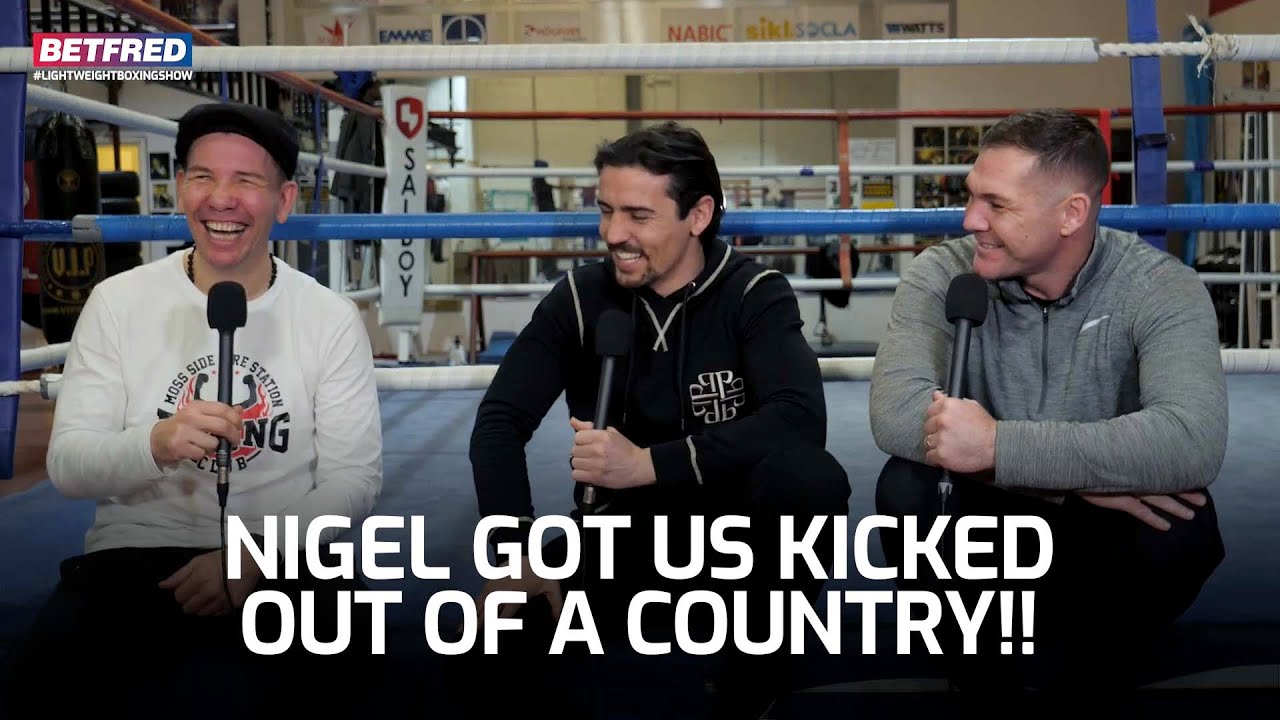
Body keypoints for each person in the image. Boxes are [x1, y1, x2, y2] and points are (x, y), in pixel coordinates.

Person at [0, 102, 384, 717]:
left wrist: (255, 557)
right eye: (203, 176)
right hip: (137, 551)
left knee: (363, 675)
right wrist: (155, 444)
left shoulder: (329, 318)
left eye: (246, 180)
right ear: (181, 188)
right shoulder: (118, 302)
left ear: (284, 200)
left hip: (284, 554)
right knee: (41, 687)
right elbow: (69, 464)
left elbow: (353, 478)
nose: (220, 198)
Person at [458, 122, 851, 719]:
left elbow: (798, 420)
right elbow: (499, 422)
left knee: (810, 480)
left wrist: (647, 464)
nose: (615, 233)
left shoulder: (753, 292)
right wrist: (514, 551)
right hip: (619, 539)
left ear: (698, 215)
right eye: (606, 210)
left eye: (639, 215)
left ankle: (756, 669)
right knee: (483, 652)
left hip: (736, 541)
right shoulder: (581, 297)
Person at [869, 109, 1227, 700]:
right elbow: (897, 412)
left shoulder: (1160, 286)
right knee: (908, 489)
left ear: (1071, 214)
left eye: (997, 204)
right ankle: (979, 679)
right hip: (996, 525)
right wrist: (1069, 477)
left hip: (1098, 533)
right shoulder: (942, 273)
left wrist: (998, 447)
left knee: (1183, 521)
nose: (971, 219)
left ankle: (1089, 679)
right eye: (972, 196)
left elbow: (1191, 439)